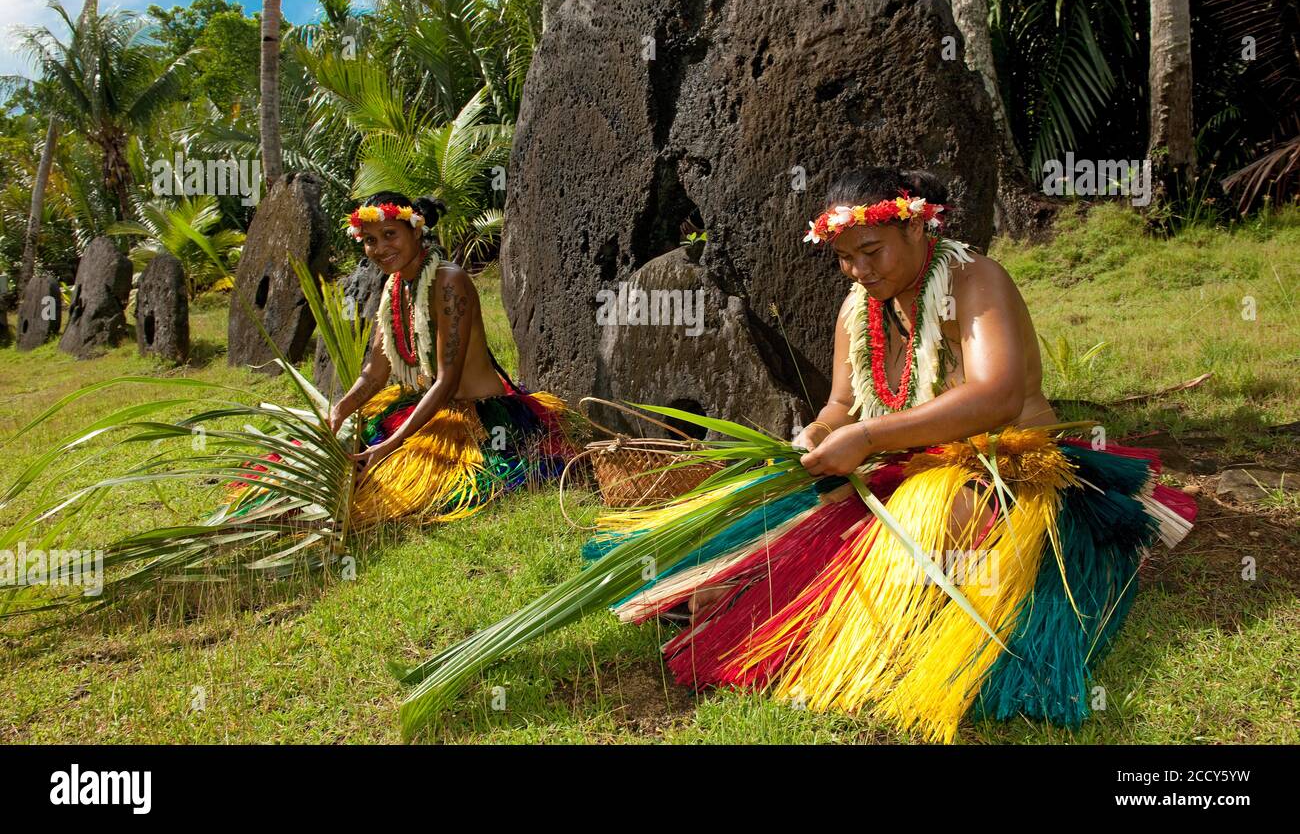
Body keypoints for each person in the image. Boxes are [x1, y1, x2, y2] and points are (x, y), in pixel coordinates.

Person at [397, 168, 1198, 743]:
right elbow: (843, 405)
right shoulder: (860, 304)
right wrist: (818, 436)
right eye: (846, 258)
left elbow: (992, 397)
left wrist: (872, 440)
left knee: (925, 521)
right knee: (771, 532)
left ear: (919, 227)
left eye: (873, 252)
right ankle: (753, 603)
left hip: (1003, 468)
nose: (856, 271)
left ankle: (869, 633)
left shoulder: (975, 278)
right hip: (900, 466)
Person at [327, 192, 582, 525]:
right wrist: (338, 412)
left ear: (416, 230)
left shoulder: (449, 281)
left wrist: (389, 446)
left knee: (388, 487)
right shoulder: (394, 285)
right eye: (371, 240)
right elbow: (376, 373)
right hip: (426, 405)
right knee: (345, 458)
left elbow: (446, 382)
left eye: (391, 235)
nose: (380, 248)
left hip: (476, 417)